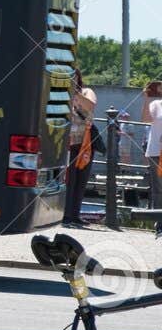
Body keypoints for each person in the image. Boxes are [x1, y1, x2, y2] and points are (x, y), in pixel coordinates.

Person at [63, 69, 99, 226]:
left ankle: (75, 214)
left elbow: (91, 105)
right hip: (67, 144)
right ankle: (65, 215)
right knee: (68, 180)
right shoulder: (60, 95)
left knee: (81, 180)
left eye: (73, 75)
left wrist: (74, 93)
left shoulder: (86, 91)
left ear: (78, 77)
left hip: (84, 143)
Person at [145, 81, 162, 210]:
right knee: (158, 189)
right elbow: (145, 119)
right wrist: (147, 97)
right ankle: (159, 223)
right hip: (156, 151)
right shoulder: (156, 104)